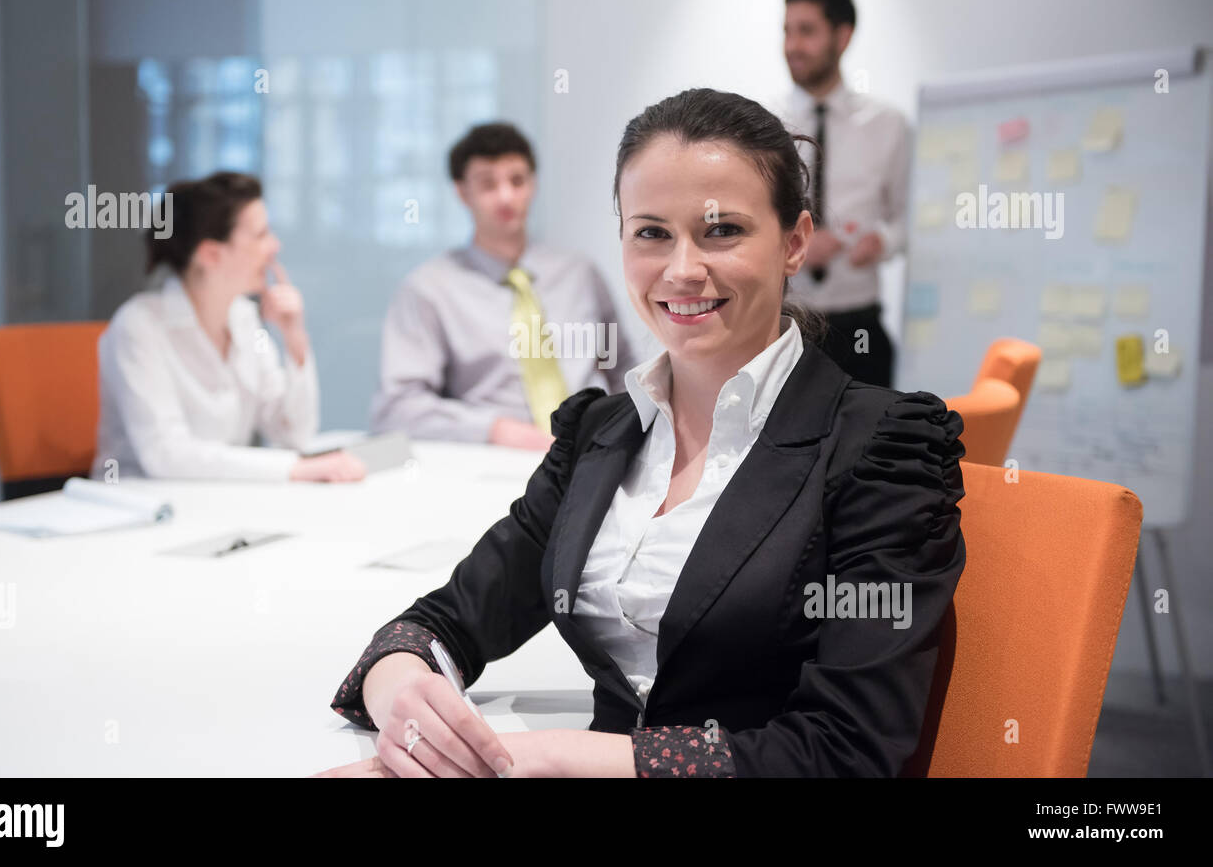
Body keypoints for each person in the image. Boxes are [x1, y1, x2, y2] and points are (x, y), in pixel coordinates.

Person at [317, 89, 965, 778]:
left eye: (722, 231)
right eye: (652, 232)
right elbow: (444, 619)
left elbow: (848, 752)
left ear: (795, 241)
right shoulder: (599, 436)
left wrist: (555, 756)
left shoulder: (880, 447)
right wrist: (402, 691)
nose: (682, 269)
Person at [369, 122, 640, 451]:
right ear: (461, 192)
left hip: (593, 454)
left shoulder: (580, 274)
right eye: (487, 184)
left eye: (517, 180)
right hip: (494, 460)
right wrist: (494, 429)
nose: (506, 196)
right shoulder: (428, 289)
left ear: (533, 184)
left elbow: (622, 370)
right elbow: (396, 409)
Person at [93, 171, 365, 483]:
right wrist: (292, 470)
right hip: (140, 507)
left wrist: (295, 340)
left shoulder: (243, 318)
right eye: (261, 235)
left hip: (216, 500)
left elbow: (293, 435)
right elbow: (166, 456)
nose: (275, 246)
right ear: (211, 254)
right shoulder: (138, 327)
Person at [780, 0, 910, 388]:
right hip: (785, 328)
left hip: (861, 330)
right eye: (786, 31)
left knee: (871, 447)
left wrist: (883, 241)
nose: (792, 45)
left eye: (806, 31)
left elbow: (911, 217)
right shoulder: (763, 126)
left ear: (843, 36)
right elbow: (748, 222)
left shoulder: (887, 126)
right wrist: (793, 244)